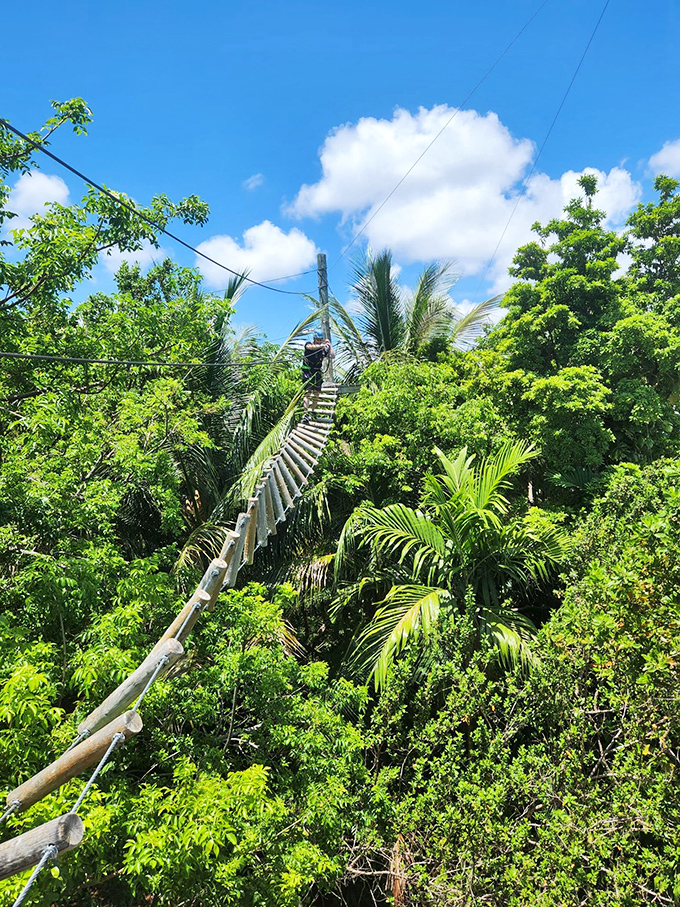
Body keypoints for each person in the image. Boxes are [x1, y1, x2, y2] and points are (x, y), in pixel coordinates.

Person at [302, 335, 332, 421]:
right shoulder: (309, 345)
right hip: (308, 373)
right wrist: (322, 346)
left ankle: (313, 411)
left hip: (317, 373)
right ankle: (305, 413)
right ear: (314, 339)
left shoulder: (322, 350)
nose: (319, 341)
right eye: (317, 339)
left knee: (316, 394)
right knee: (307, 394)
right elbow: (309, 347)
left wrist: (330, 345)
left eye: (320, 340)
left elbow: (332, 356)